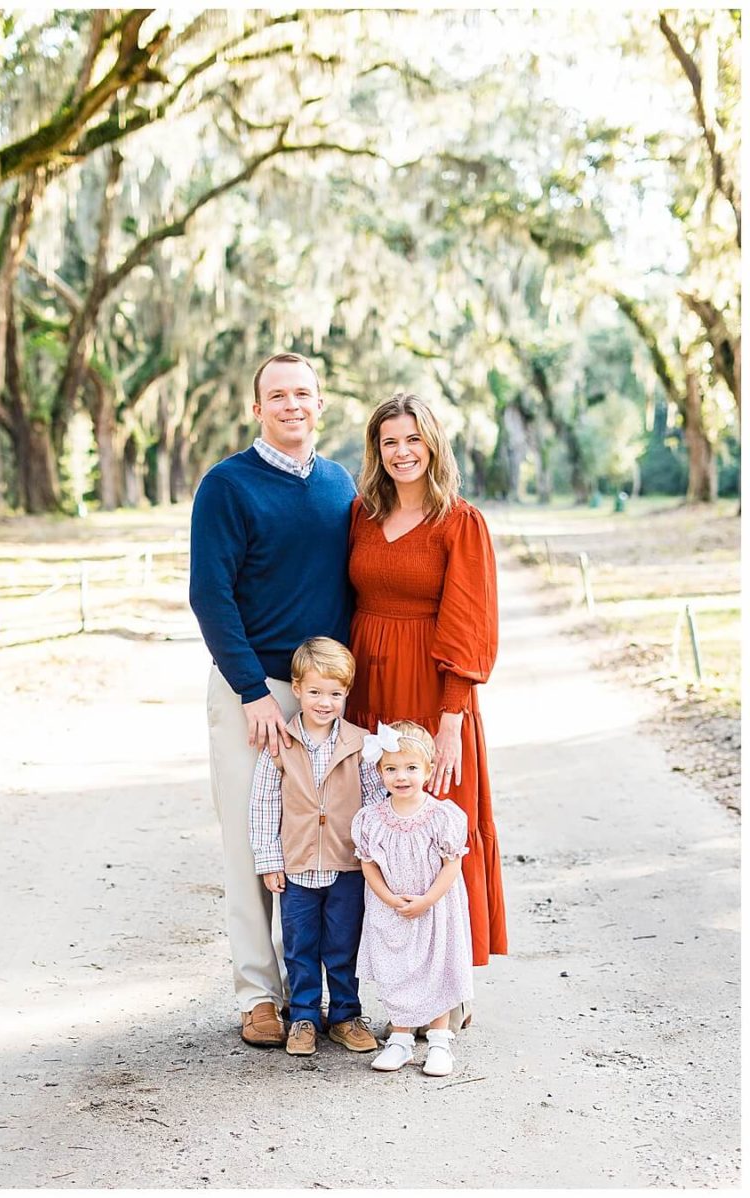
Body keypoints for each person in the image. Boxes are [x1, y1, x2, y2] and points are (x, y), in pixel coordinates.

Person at [189, 353, 357, 1047]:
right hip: (253, 695)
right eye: (277, 395)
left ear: (321, 405)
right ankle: (259, 996)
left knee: (327, 847)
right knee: (252, 844)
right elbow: (211, 594)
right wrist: (251, 690)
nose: (292, 405)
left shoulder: (341, 483)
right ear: (257, 409)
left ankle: (321, 996)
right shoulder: (227, 486)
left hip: (326, 699)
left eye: (303, 394)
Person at [345, 392, 504, 1024]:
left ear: (433, 444)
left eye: (414, 439)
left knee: (440, 829)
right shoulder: (360, 514)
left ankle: (450, 988)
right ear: (376, 450)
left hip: (430, 692)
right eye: (390, 441)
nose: (402, 452)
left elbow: (469, 623)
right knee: (382, 835)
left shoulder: (459, 521)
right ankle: (393, 987)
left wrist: (451, 719)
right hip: (366, 686)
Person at [248, 638, 384, 1057]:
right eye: (315, 692)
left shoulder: (360, 745)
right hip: (298, 868)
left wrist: (376, 860)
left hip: (347, 868)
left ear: (346, 694)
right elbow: (264, 805)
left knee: (343, 946)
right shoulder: (281, 745)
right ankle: (304, 1017)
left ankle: (345, 1016)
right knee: (300, 947)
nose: (325, 702)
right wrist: (271, 861)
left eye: (335, 694)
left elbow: (377, 806)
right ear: (295, 689)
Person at [351, 721, 472, 1076]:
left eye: (411, 768)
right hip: (391, 909)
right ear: (379, 772)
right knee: (398, 970)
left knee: (436, 969)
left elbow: (452, 864)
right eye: (391, 768)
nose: (400, 776)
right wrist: (388, 898)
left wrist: (427, 900)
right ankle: (400, 1040)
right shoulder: (370, 819)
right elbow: (368, 865)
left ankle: (439, 1040)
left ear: (428, 770)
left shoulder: (443, 816)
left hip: (435, 907)